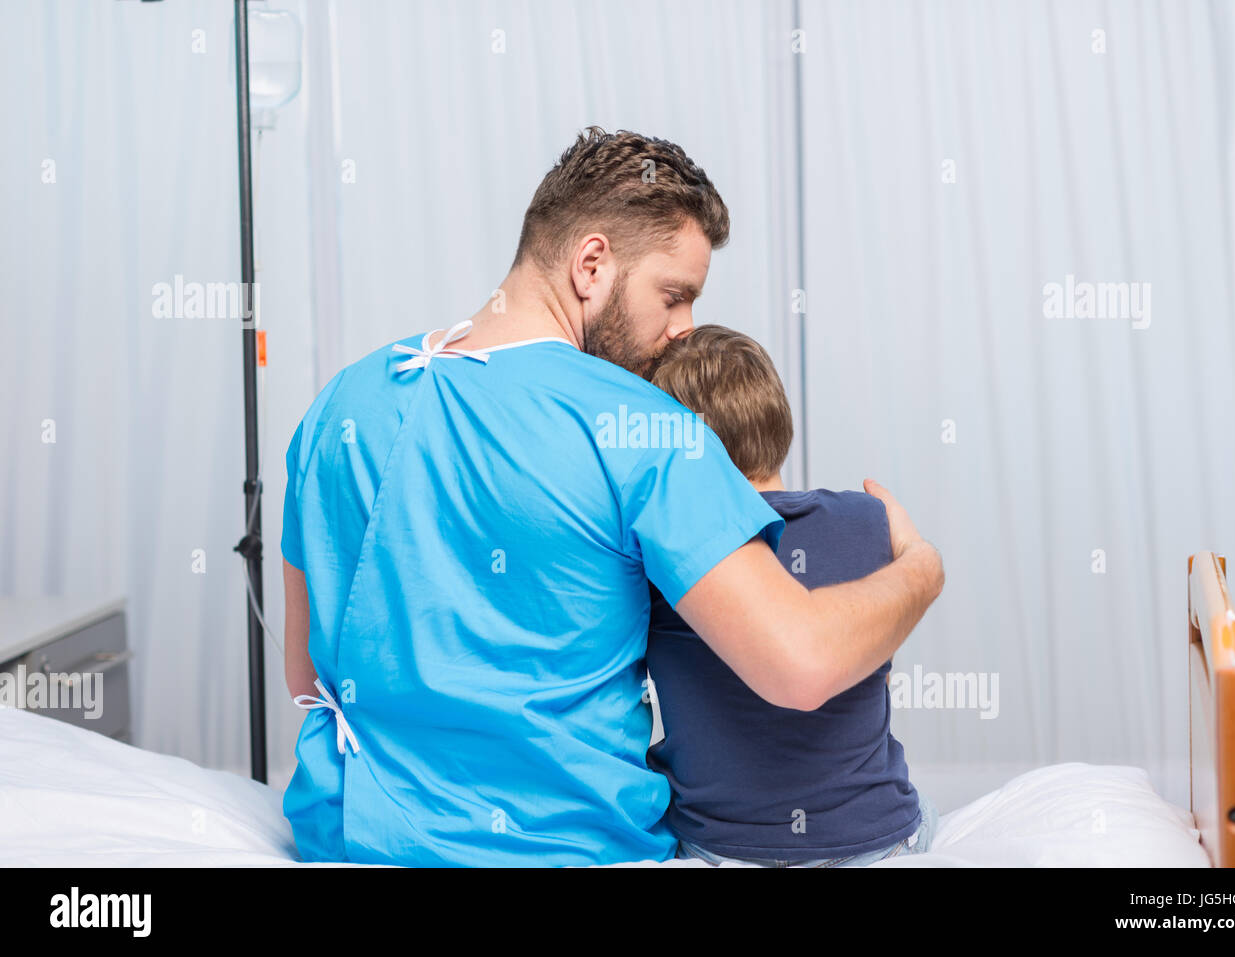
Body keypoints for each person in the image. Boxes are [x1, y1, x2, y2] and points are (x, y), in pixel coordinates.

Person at [280, 126, 944, 866]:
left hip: (342, 841)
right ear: (592, 263)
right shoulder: (643, 428)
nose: (685, 329)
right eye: (675, 294)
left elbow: (305, 676)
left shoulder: (337, 407)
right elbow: (800, 663)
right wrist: (920, 566)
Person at [646, 325, 937, 866]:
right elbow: (877, 667)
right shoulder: (867, 519)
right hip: (876, 842)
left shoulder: (663, 550)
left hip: (721, 847)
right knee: (928, 810)